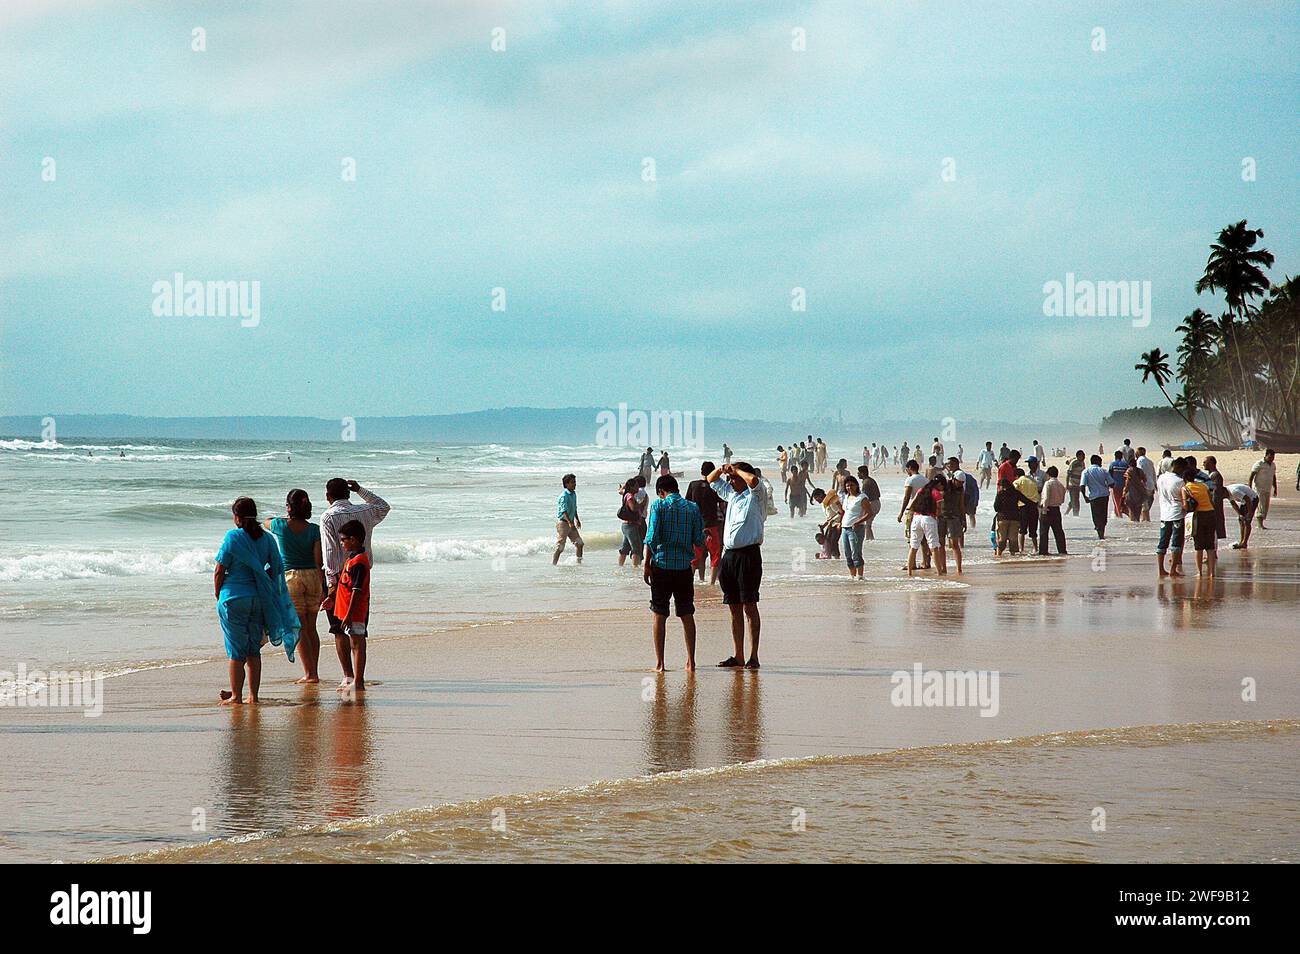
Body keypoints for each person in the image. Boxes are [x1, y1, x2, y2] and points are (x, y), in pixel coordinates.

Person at [215, 497, 299, 705]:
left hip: (233, 599)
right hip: (260, 599)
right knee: (253, 650)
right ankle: (253, 696)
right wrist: (262, 578)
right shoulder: (267, 538)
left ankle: (236, 696)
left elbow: (219, 570)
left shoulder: (233, 537)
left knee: (236, 651)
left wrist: (219, 594)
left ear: (236, 517)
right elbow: (277, 569)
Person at [321, 477, 390, 688]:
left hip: (341, 579)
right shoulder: (365, 511)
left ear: (328, 496)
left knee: (339, 629)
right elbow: (383, 506)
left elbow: (330, 553)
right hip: (362, 575)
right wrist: (361, 489)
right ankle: (357, 678)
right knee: (358, 629)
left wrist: (331, 588)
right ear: (348, 493)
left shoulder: (328, 517)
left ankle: (349, 676)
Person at [642, 475, 705, 672]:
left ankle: (660, 664)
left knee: (659, 615)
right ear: (676, 489)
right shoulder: (692, 508)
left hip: (662, 565)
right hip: (684, 568)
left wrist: (646, 564)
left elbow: (651, 538)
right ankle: (691, 662)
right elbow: (698, 540)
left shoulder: (659, 506)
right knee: (687, 614)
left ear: (661, 491)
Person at [707, 462, 766, 669]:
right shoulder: (732, 495)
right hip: (729, 555)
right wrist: (723, 470)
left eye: (734, 479)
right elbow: (711, 480)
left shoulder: (756, 495)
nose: (731, 482)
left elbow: (754, 481)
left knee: (750, 605)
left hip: (748, 555)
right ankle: (738, 655)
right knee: (734, 607)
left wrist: (738, 471)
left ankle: (754, 656)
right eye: (730, 479)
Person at [264, 489, 324, 684]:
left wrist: (285, 514)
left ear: (289, 507)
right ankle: (314, 670)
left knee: (299, 628)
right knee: (311, 628)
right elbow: (318, 560)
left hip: (291, 578)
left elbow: (265, 521)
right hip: (313, 576)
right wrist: (323, 583)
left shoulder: (280, 525)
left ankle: (310, 674)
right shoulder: (314, 529)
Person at [333, 519, 372, 692]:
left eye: (343, 540)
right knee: (354, 643)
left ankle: (359, 681)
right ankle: (357, 680)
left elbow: (356, 590)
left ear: (354, 539)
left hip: (355, 612)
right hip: (347, 610)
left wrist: (349, 615)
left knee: (357, 645)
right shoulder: (352, 559)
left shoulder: (358, 562)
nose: (341, 543)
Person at [685, 462, 723, 584]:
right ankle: (711, 583)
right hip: (711, 524)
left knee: (696, 556)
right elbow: (722, 505)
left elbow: (687, 504)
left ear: (701, 471)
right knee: (715, 555)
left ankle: (689, 582)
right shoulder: (715, 487)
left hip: (696, 526)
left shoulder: (693, 485)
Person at [1182, 464, 1216, 578]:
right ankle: (1212, 573)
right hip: (1210, 514)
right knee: (1210, 546)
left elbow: (1186, 506)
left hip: (1198, 516)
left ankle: (1200, 572)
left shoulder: (1185, 488)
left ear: (1185, 478)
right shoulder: (1204, 486)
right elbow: (1210, 501)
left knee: (1198, 545)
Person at [907, 474, 945, 575]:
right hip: (929, 519)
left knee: (913, 546)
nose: (942, 489)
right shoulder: (937, 494)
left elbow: (911, 505)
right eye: (942, 486)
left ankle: (909, 572)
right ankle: (939, 572)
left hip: (916, 518)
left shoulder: (921, 490)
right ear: (939, 484)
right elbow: (938, 511)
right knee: (934, 546)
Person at [1155, 458, 1186, 578]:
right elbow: (1183, 498)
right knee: (1176, 543)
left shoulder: (1161, 478)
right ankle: (1173, 570)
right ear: (1179, 468)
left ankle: (1161, 569)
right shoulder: (1179, 481)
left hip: (1164, 514)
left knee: (1163, 542)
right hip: (1177, 513)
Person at [897, 459, 931, 570]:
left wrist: (901, 512)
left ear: (910, 468)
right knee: (924, 538)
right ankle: (926, 562)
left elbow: (907, 497)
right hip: (925, 510)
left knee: (912, 537)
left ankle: (911, 563)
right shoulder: (925, 480)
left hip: (913, 510)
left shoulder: (910, 480)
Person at [993, 478, 1031, 555]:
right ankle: (1012, 558)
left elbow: (996, 508)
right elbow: (1027, 502)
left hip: (1002, 518)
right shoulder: (1016, 493)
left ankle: (998, 556)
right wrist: (1019, 509)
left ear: (1001, 486)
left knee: (1002, 539)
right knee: (1013, 539)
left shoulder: (1000, 494)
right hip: (1015, 518)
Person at [941, 458, 966, 573]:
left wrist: (963, 520)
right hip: (941, 516)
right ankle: (943, 568)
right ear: (954, 479)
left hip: (954, 518)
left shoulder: (960, 490)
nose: (960, 485)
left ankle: (959, 569)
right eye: (959, 482)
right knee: (941, 544)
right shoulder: (944, 486)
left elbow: (961, 506)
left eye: (962, 483)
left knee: (955, 544)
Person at [552, 473, 583, 565]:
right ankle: (553, 564)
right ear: (566, 484)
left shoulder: (573, 494)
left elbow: (574, 508)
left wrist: (577, 519)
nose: (575, 484)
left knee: (580, 544)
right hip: (563, 523)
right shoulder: (564, 496)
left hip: (571, 522)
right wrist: (570, 523)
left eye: (575, 482)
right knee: (560, 547)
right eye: (572, 482)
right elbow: (563, 511)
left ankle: (579, 563)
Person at [617, 476, 647, 568]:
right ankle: (635, 569)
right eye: (636, 486)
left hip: (627, 525)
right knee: (636, 548)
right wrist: (642, 503)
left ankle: (620, 566)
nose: (638, 488)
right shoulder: (629, 496)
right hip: (631, 525)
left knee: (625, 548)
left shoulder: (628, 494)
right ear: (632, 487)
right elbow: (633, 508)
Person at [1080, 454, 1113, 539]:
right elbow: (1112, 484)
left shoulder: (1086, 471)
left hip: (1094, 497)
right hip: (1104, 496)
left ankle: (1100, 534)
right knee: (1103, 515)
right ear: (1098, 462)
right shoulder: (1103, 471)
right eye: (1100, 462)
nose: (1101, 464)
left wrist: (1085, 496)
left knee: (1096, 516)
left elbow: (1082, 485)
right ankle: (1101, 533)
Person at [1038, 466, 1067, 554]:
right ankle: (1062, 550)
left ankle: (1043, 551)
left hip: (1048, 509)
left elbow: (1046, 498)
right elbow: (1062, 499)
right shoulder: (1060, 484)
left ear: (1048, 474)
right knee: (1058, 532)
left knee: (1043, 532)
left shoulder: (1048, 483)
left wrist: (1044, 510)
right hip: (1056, 509)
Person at [1013, 464, 1040, 554]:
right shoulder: (1032, 482)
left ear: (1016, 476)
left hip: (1023, 507)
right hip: (1033, 508)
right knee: (1033, 531)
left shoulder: (1018, 482)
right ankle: (1035, 549)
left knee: (1022, 530)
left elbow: (1014, 491)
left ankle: (1021, 549)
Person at [811, 486, 843, 559]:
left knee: (833, 542)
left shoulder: (831, 502)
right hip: (830, 525)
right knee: (827, 542)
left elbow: (840, 513)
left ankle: (837, 559)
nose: (816, 500)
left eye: (817, 498)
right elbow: (830, 517)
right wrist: (824, 525)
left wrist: (832, 522)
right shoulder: (823, 504)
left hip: (837, 524)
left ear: (820, 495)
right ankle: (829, 559)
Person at [1249, 449, 1277, 529]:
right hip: (1259, 488)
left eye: (1273, 457)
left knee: (1265, 506)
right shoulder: (1259, 463)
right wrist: (1249, 487)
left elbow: (1273, 476)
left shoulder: (1273, 465)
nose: (1272, 459)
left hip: (1267, 488)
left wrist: (1275, 488)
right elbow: (1252, 476)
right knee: (1260, 505)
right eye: (1270, 457)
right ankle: (1260, 525)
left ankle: (1261, 523)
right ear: (1266, 455)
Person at [1227, 482, 1259, 549]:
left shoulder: (1234, 491)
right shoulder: (1227, 494)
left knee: (1247, 521)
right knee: (1241, 520)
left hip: (1252, 498)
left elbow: (1247, 499)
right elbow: (1233, 504)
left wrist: (1250, 512)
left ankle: (1244, 543)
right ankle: (1241, 541)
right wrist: (1240, 514)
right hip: (1244, 502)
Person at [1203, 455, 1228, 542]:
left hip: (1214, 506)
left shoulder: (1215, 475)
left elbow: (1216, 493)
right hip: (1211, 505)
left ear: (1211, 463)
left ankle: (1213, 552)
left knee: (1214, 529)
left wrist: (1212, 506)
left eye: (1205, 462)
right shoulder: (1211, 475)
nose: (1203, 464)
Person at [857, 465, 882, 540]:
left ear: (862, 473)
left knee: (867, 524)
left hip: (873, 504)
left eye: (858, 473)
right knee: (868, 524)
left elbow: (864, 497)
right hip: (876, 503)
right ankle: (870, 539)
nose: (857, 474)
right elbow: (878, 494)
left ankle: (869, 540)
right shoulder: (870, 480)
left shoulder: (866, 483)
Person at [1134, 447, 1157, 521]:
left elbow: (1139, 473)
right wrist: (1155, 485)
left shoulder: (1139, 461)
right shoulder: (1150, 461)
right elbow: (1154, 473)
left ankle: (1145, 521)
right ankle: (1145, 520)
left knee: (1144, 505)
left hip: (1144, 485)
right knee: (1148, 503)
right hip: (1151, 484)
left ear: (1139, 453)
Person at [1107, 451, 1129, 518]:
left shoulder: (1112, 464)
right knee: (1123, 502)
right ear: (1122, 456)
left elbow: (1109, 475)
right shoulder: (1125, 464)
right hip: (1124, 486)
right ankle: (1126, 516)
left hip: (1115, 486)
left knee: (1116, 503)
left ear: (1115, 456)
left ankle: (1119, 518)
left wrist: (1109, 485)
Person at [1065, 450, 1085, 516]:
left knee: (1073, 501)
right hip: (1072, 485)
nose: (1083, 457)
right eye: (1082, 455)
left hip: (1078, 485)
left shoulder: (1082, 463)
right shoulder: (1074, 463)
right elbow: (1068, 474)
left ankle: (1065, 514)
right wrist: (1067, 485)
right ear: (1078, 456)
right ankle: (1076, 516)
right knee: (1076, 503)